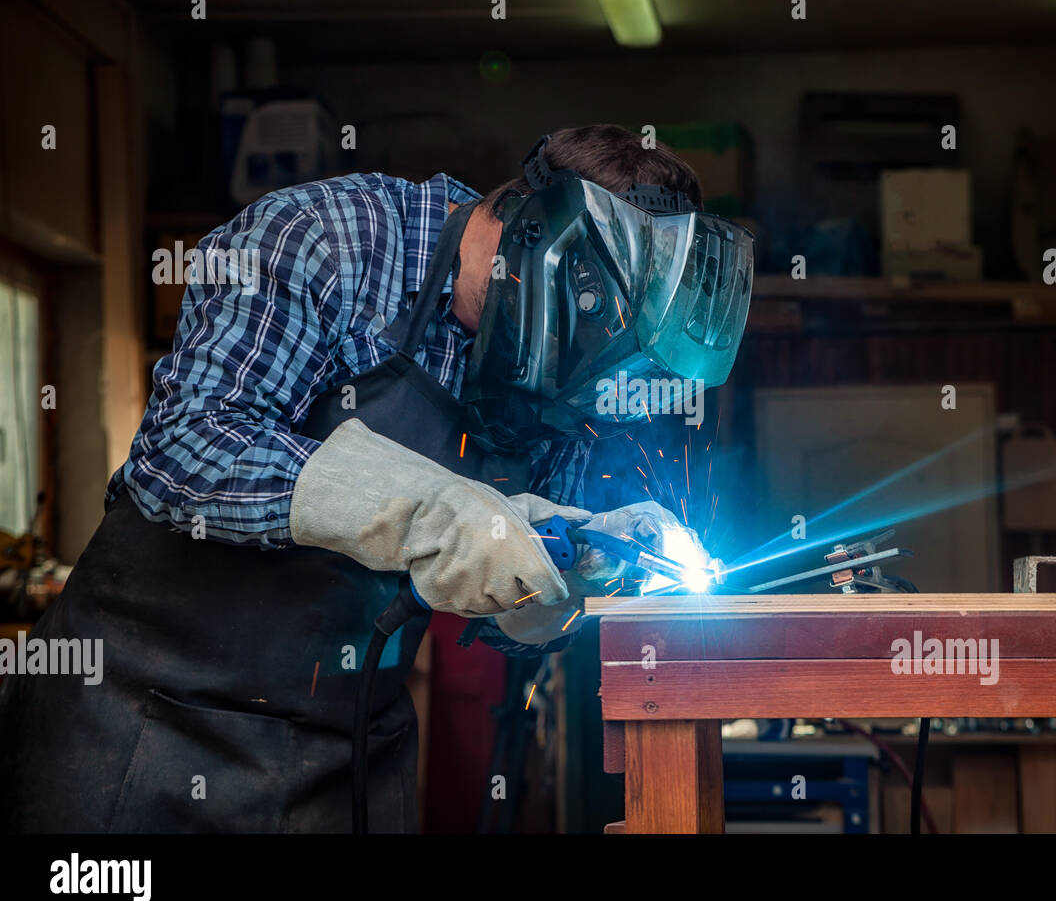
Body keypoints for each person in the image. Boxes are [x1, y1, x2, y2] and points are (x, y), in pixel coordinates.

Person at [0, 124, 754, 832]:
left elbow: (496, 608)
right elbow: (187, 451)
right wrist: (426, 512)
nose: (587, 378)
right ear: (534, 239)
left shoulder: (561, 376)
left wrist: (566, 573)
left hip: (348, 751)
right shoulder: (324, 239)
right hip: (148, 728)